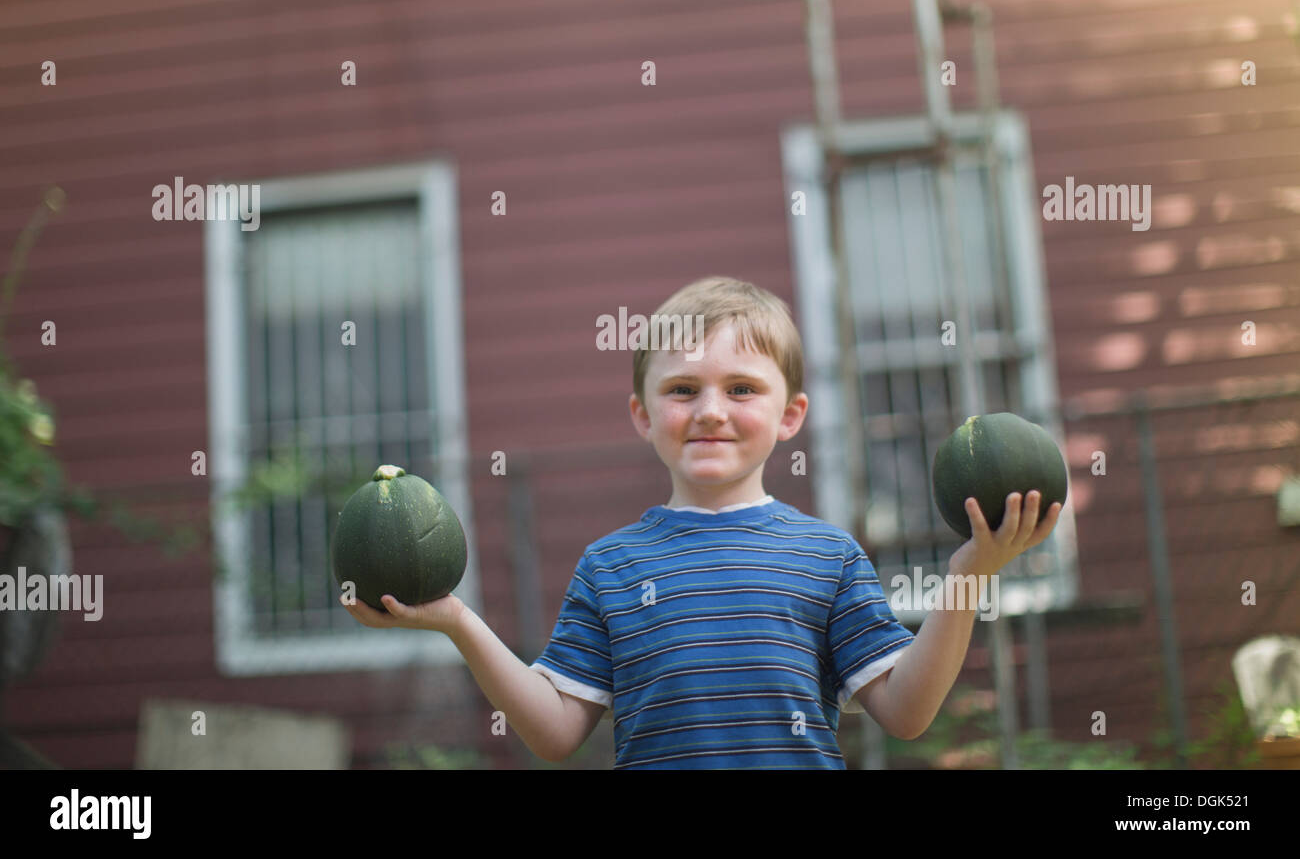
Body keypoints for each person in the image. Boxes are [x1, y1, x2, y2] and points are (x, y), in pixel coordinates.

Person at [343, 276, 1062, 767]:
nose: (711, 410)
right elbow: (556, 732)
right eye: (683, 389)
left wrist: (968, 576)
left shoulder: (829, 557)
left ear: (790, 416)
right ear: (642, 414)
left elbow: (905, 713)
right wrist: (456, 621)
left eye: (741, 389)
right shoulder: (610, 567)